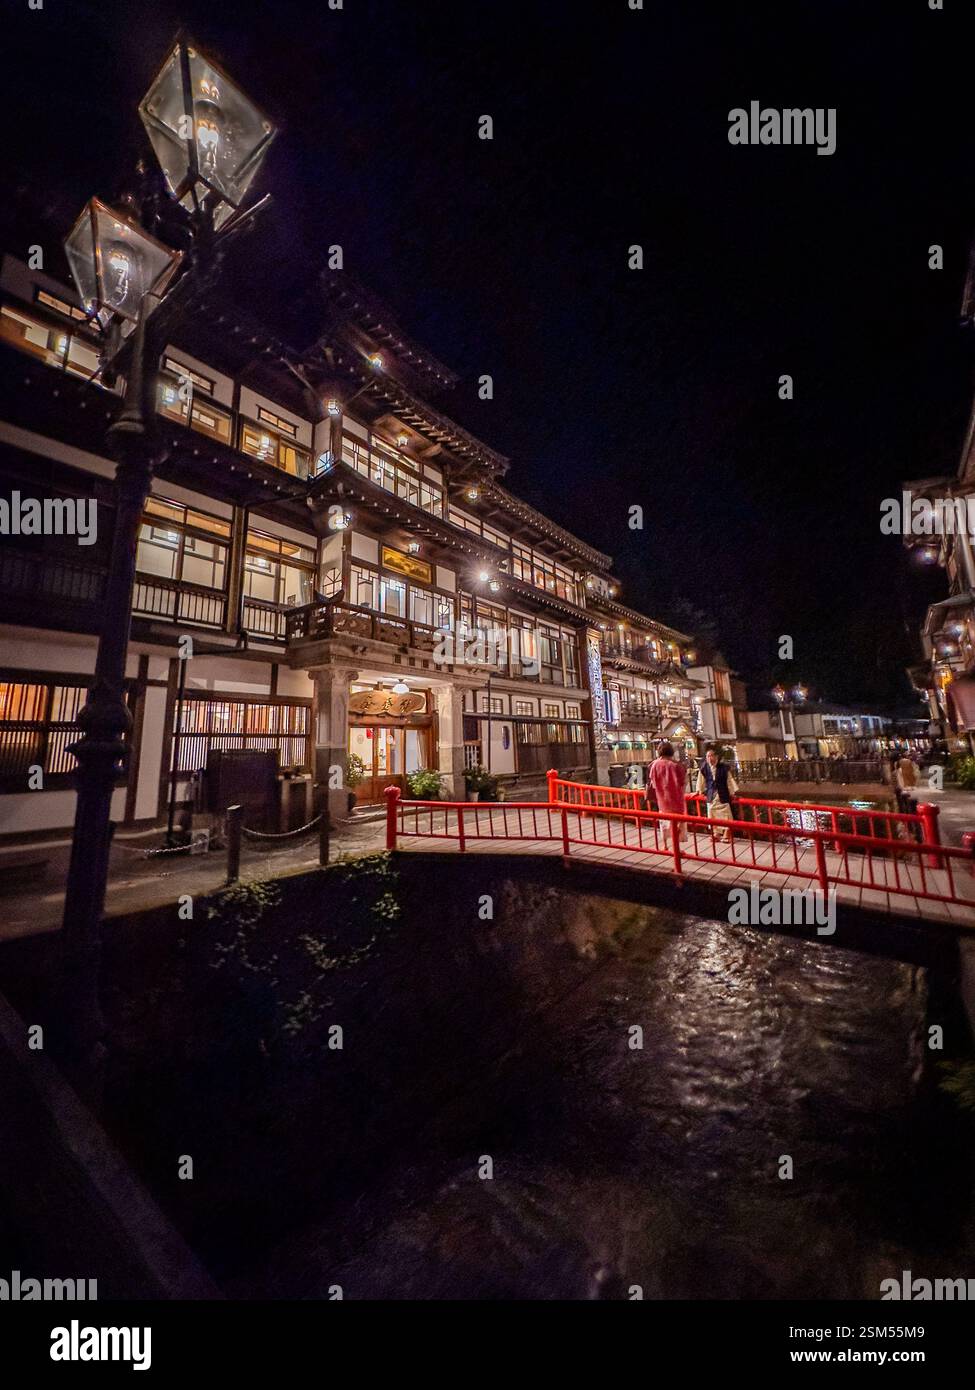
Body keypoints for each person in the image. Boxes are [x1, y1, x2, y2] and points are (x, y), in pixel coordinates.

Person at [647, 740, 687, 847]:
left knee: (664, 822)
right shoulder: (676, 765)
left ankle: (665, 845)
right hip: (676, 799)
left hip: (661, 799)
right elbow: (683, 783)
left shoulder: (654, 764)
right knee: (677, 824)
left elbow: (652, 782)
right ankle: (676, 847)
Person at [696, 745, 738, 844]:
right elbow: (700, 780)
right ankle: (716, 833)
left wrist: (732, 792)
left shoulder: (724, 768)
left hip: (723, 793)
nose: (710, 758)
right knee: (712, 813)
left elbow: (729, 781)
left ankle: (727, 833)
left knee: (726, 814)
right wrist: (699, 790)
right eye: (707, 756)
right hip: (711, 794)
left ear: (716, 757)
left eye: (711, 756)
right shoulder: (704, 768)